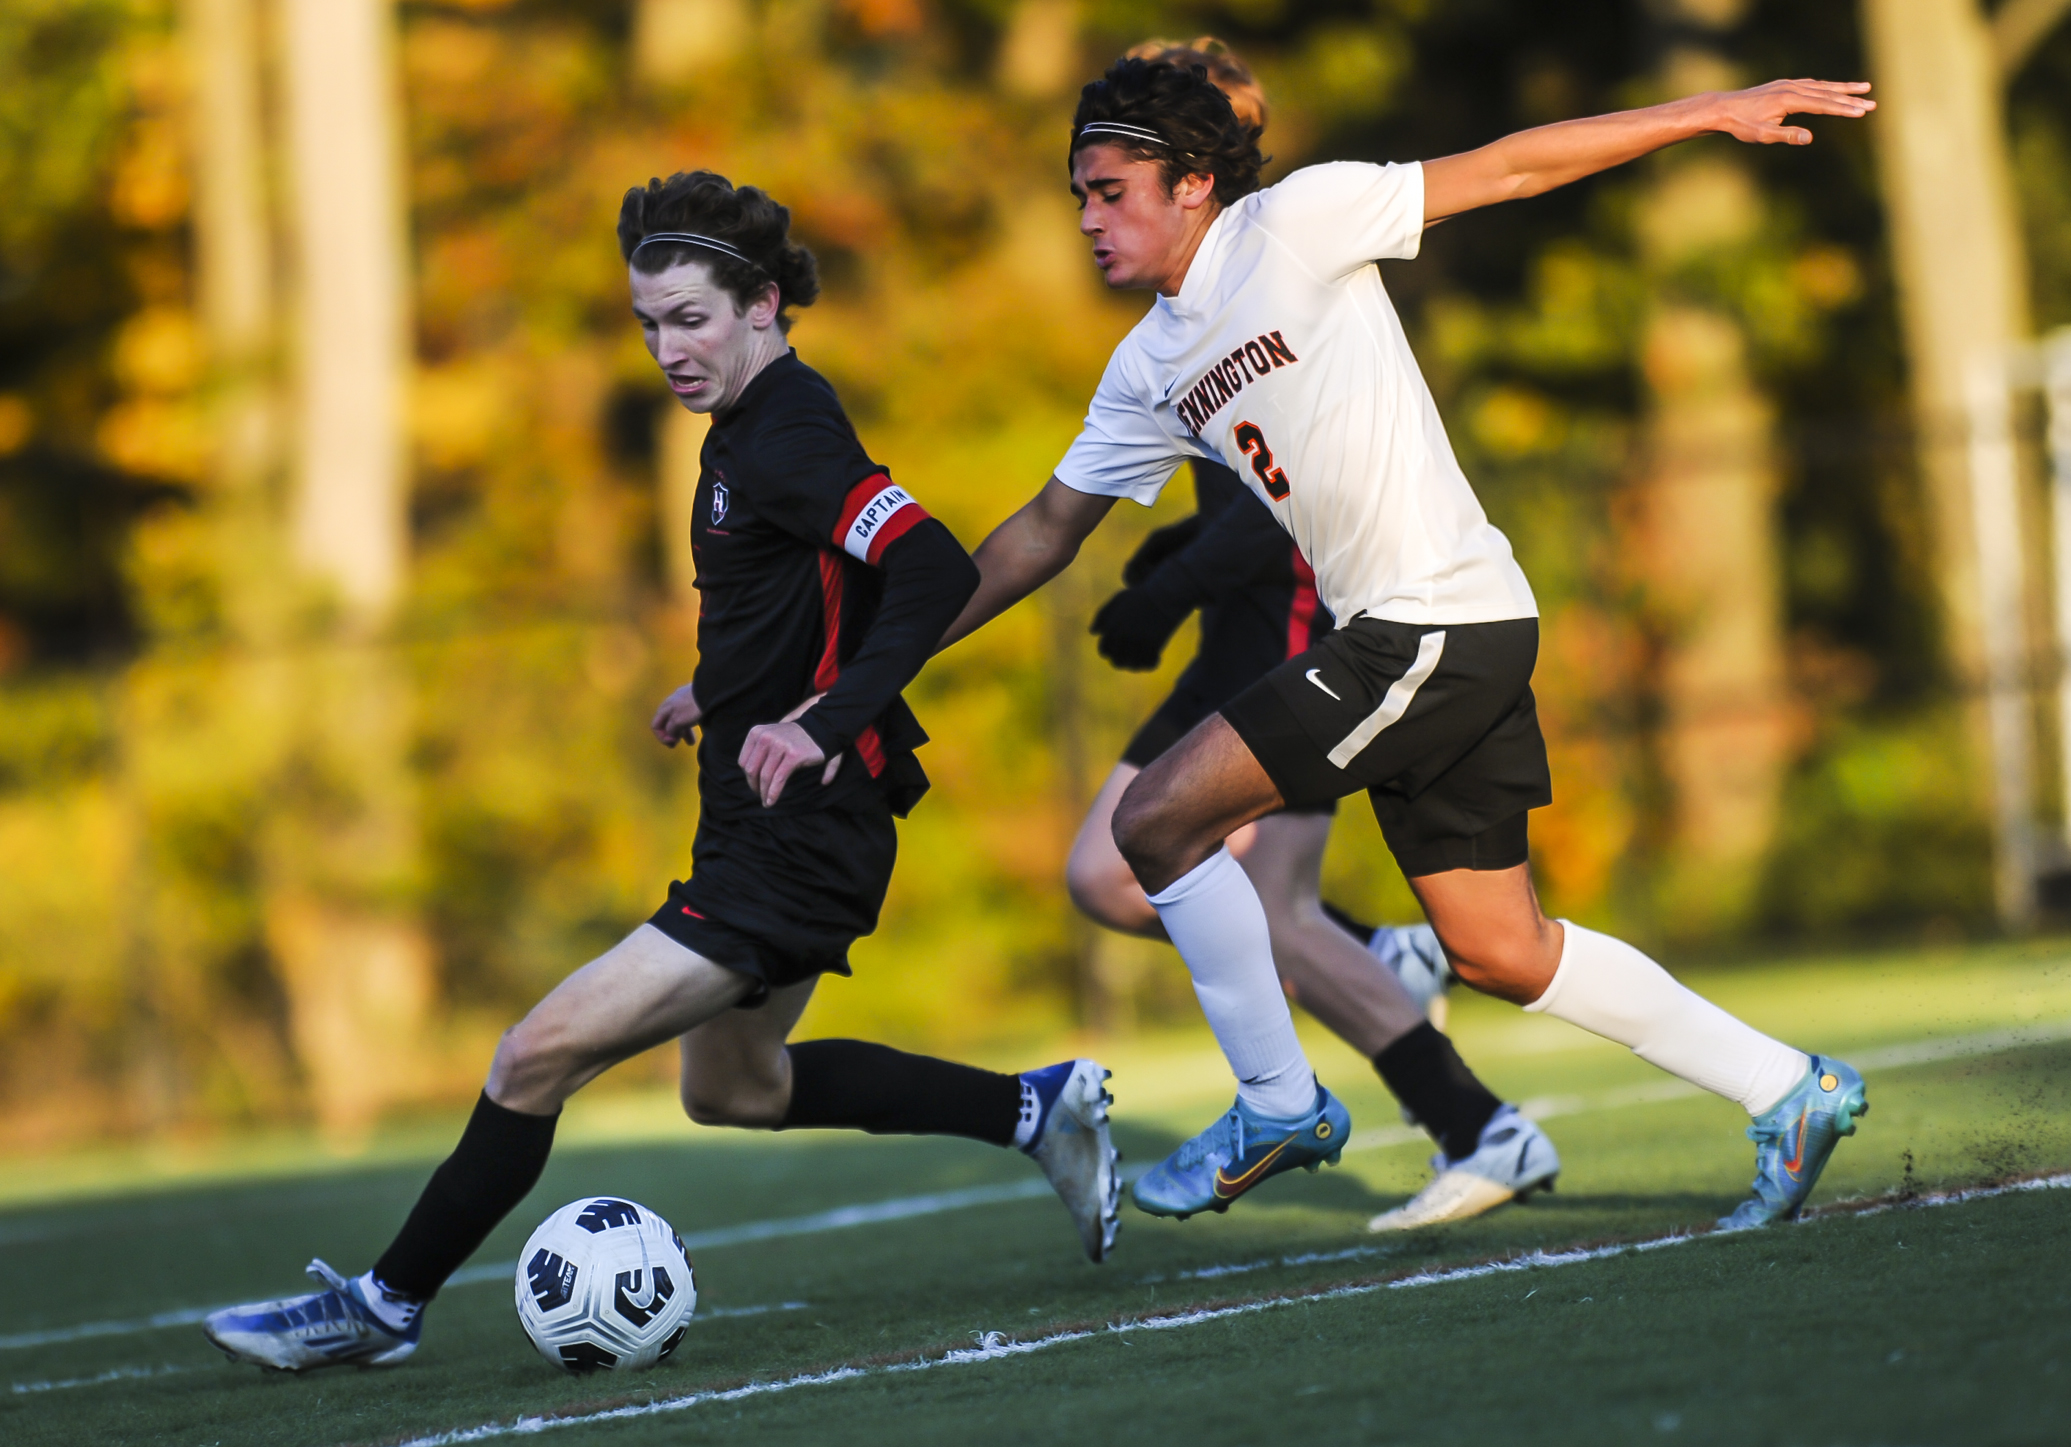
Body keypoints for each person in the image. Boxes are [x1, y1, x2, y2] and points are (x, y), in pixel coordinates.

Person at [203, 171, 1119, 1373]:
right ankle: (1031, 1109)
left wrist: (828, 721)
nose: (665, 348)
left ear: (762, 305)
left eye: (688, 318)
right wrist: (731, 692)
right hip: (766, 816)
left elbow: (933, 569)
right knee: (733, 1089)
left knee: (534, 1053)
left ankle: (383, 1305)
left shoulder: (787, 428)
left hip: (799, 832)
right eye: (646, 323)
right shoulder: (746, 429)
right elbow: (814, 593)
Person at [940, 56, 1873, 1230]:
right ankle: (1788, 1088)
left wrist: (1709, 111)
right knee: (1497, 948)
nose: (1086, 217)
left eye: (1109, 189)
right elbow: (1037, 534)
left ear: (1190, 185)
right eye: (1076, 193)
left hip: (1428, 621)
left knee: (1151, 822)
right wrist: (870, 664)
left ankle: (1277, 1103)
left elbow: (1514, 165)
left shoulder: (1294, 223)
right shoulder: (1145, 367)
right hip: (1440, 633)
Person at [1067, 39, 1557, 1232]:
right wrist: (1168, 569)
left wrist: (1171, 584)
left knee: (1184, 879)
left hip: (1307, 625)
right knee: (1141, 878)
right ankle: (1405, 1010)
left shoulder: (1286, 239)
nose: (1099, 201)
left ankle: (1451, 1107)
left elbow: (1284, 507)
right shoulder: (1176, 309)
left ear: (1207, 158)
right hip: (1256, 619)